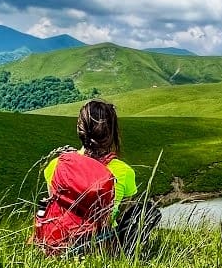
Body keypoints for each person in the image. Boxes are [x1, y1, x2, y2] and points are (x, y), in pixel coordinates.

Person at [32, 99, 160, 256]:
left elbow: (55, 206)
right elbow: (119, 215)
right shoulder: (124, 172)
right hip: (100, 249)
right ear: (112, 132)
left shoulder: (56, 165)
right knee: (147, 211)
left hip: (57, 245)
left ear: (80, 130)